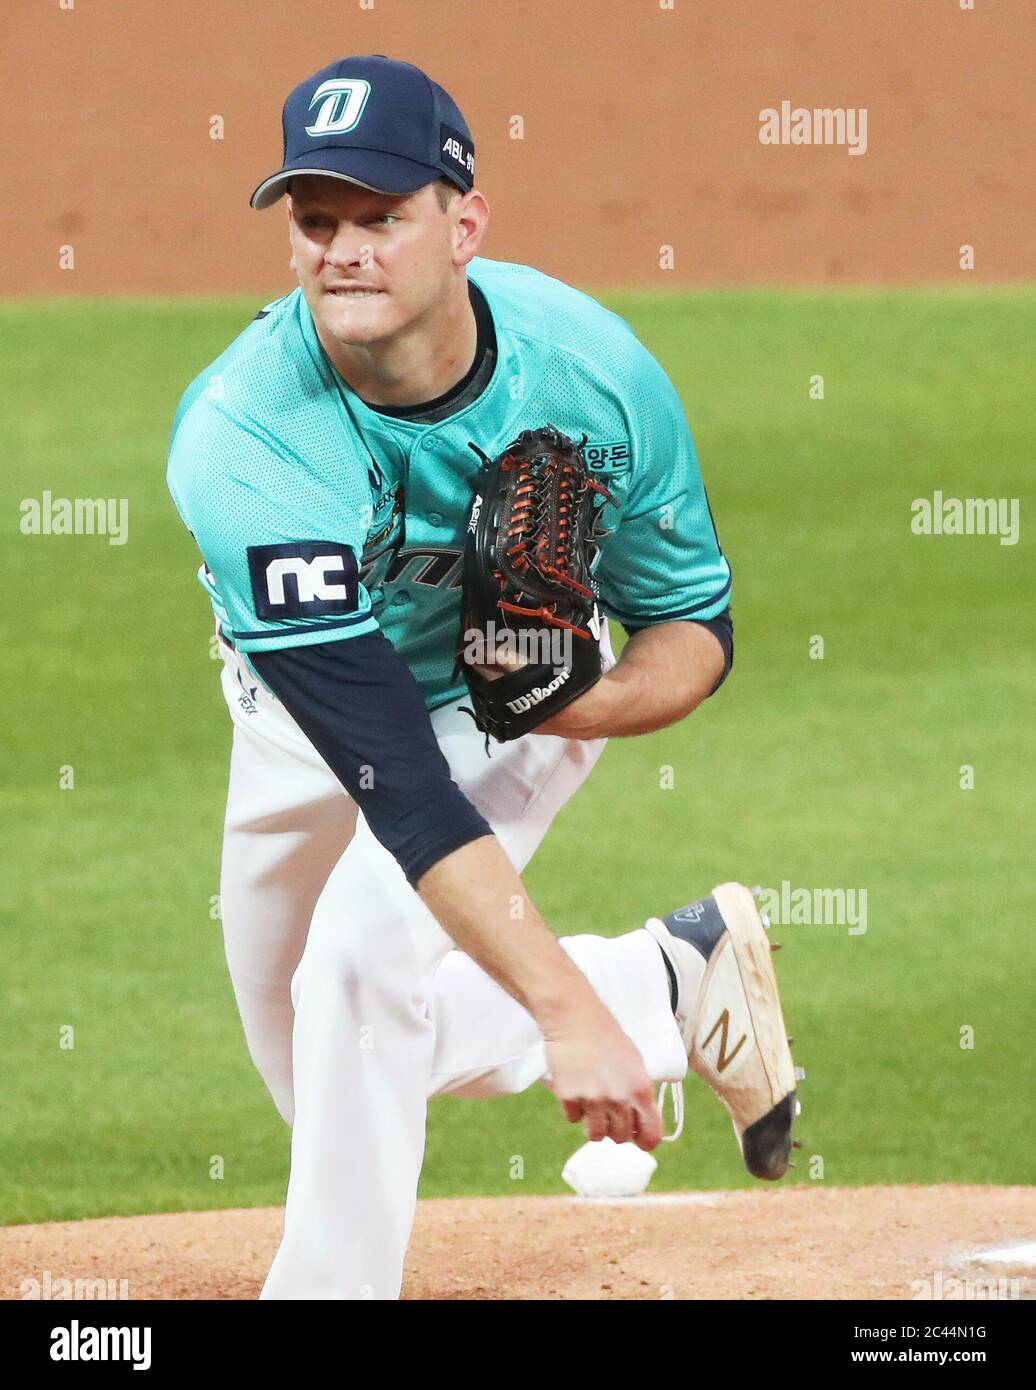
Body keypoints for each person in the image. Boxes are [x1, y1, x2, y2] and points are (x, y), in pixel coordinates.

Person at [166, 54, 797, 1300]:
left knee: (354, 967)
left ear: (464, 224)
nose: (342, 249)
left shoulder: (592, 372)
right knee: (318, 1055)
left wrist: (577, 701)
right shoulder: (245, 439)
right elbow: (392, 776)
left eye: (381, 217)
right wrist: (571, 1007)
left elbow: (692, 624)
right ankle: (663, 979)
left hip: (501, 698)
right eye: (316, 221)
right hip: (311, 722)